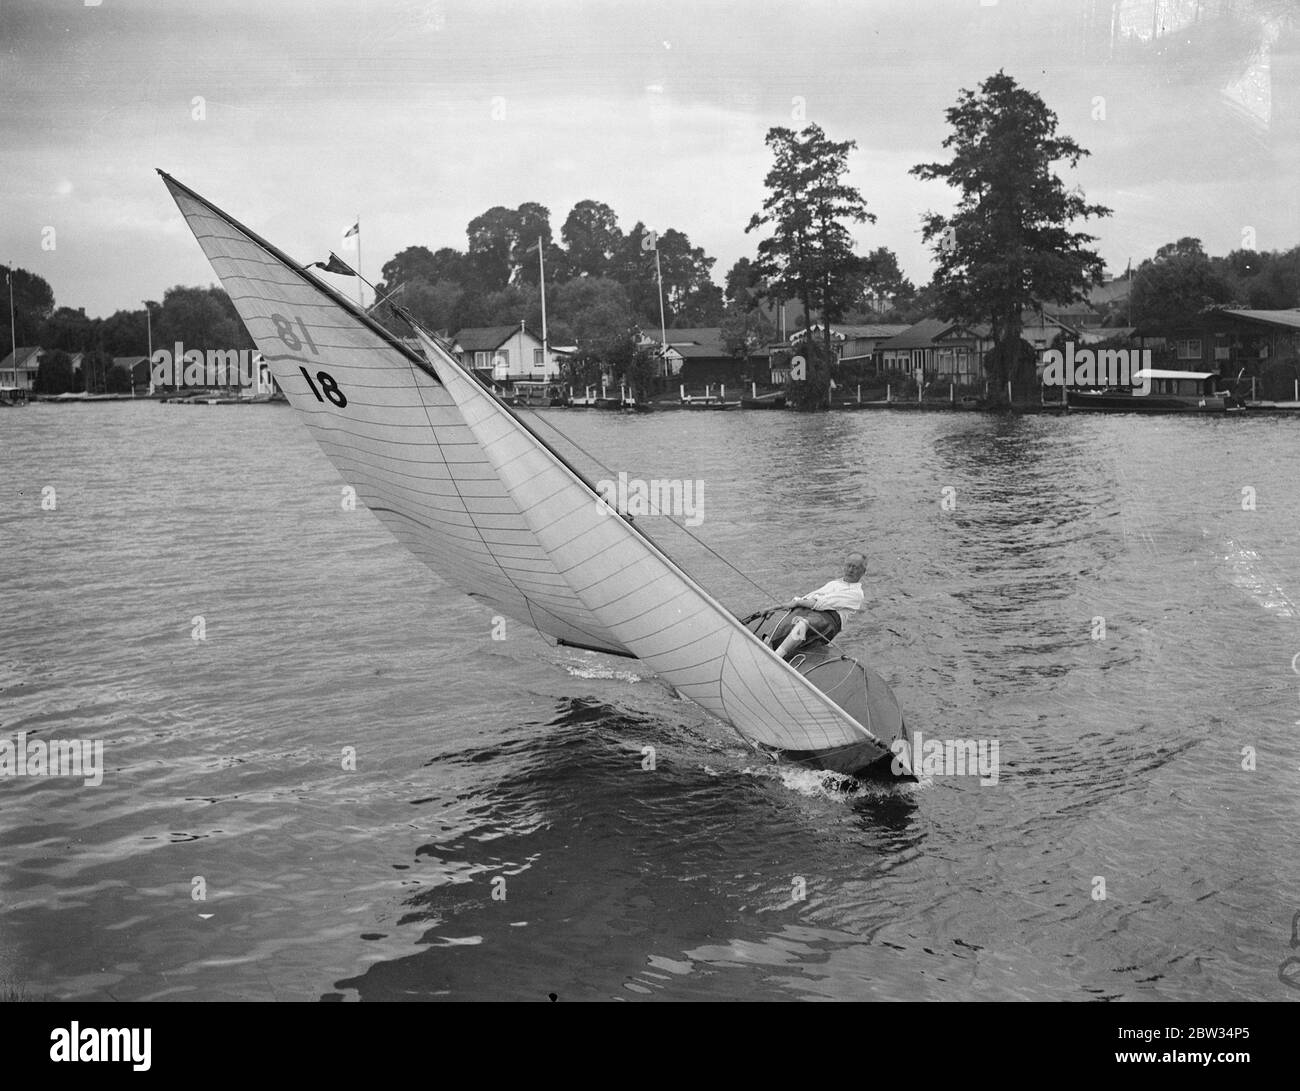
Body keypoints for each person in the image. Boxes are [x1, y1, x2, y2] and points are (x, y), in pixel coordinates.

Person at [769, 552, 867, 660]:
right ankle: (771, 642)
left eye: (855, 567)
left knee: (804, 623)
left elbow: (821, 603)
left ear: (863, 572)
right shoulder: (834, 584)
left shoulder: (856, 593)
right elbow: (809, 598)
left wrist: (798, 602)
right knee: (797, 611)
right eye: (848, 565)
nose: (850, 570)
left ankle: (776, 657)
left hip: (830, 622)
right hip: (815, 612)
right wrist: (778, 607)